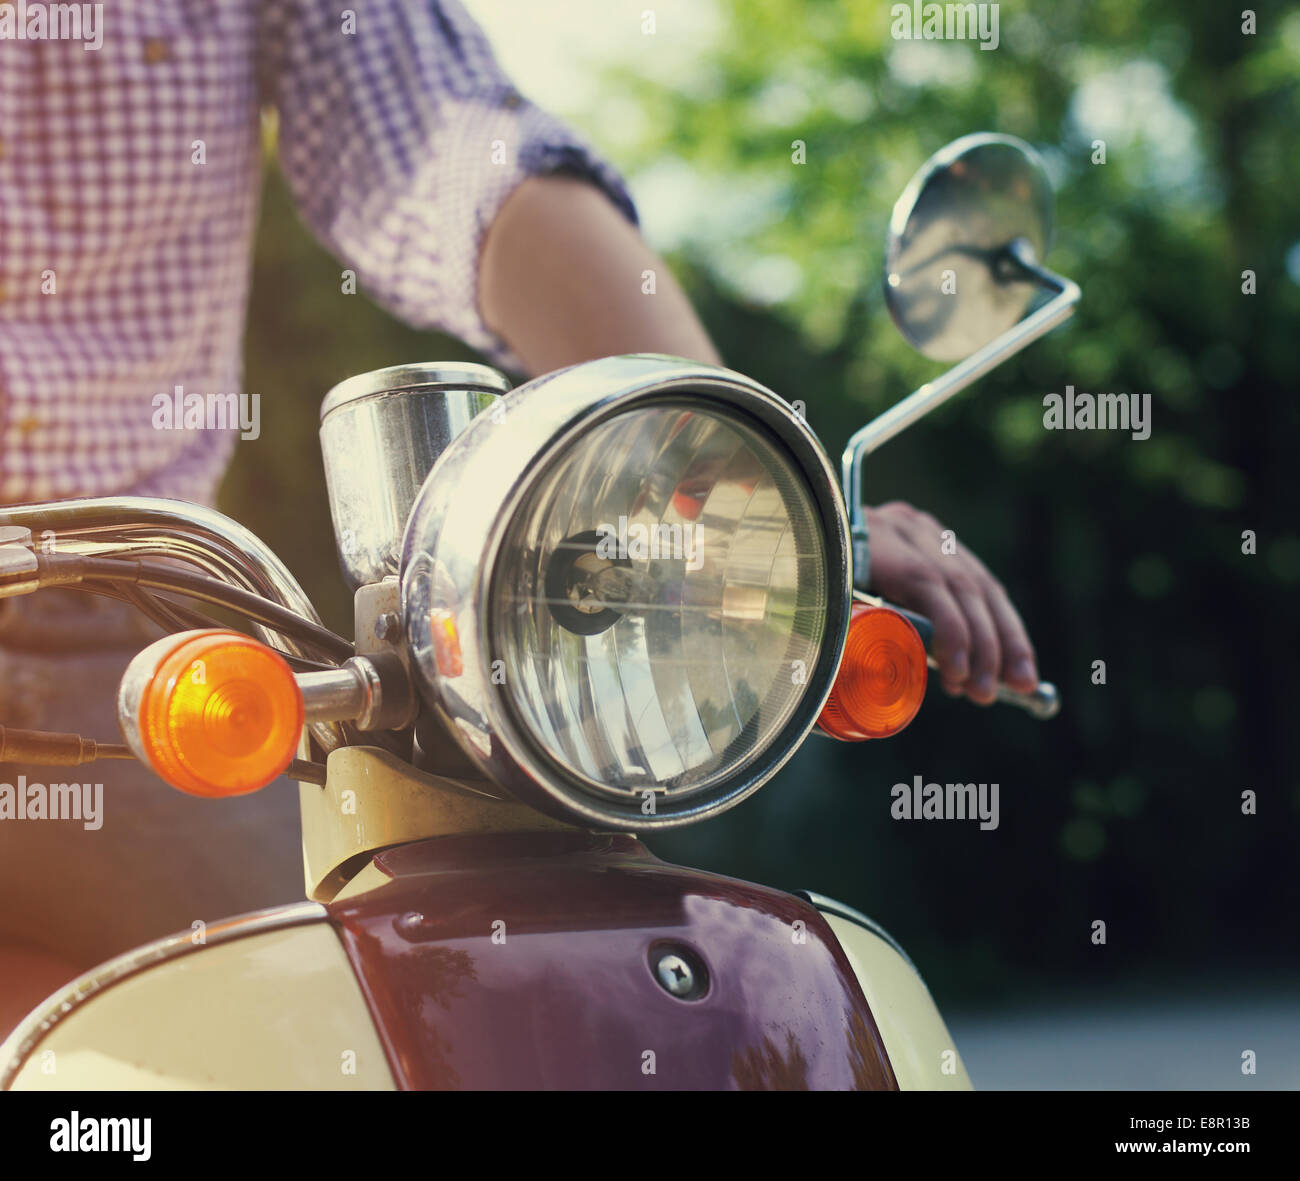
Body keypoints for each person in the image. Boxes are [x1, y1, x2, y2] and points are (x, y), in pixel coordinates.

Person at [0, 0, 1038, 1035]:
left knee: (320, 1022)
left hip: (122, 626)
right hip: (134, 636)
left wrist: (741, 498)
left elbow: (435, 141)